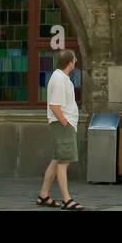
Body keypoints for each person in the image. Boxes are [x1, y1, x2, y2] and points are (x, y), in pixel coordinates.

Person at [37, 49, 84, 209]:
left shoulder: (61, 77)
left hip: (64, 124)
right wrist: (65, 122)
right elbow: (55, 106)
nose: (76, 61)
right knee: (63, 163)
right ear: (70, 62)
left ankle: (43, 195)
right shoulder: (59, 80)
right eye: (74, 59)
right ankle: (67, 199)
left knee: (57, 160)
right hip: (62, 125)